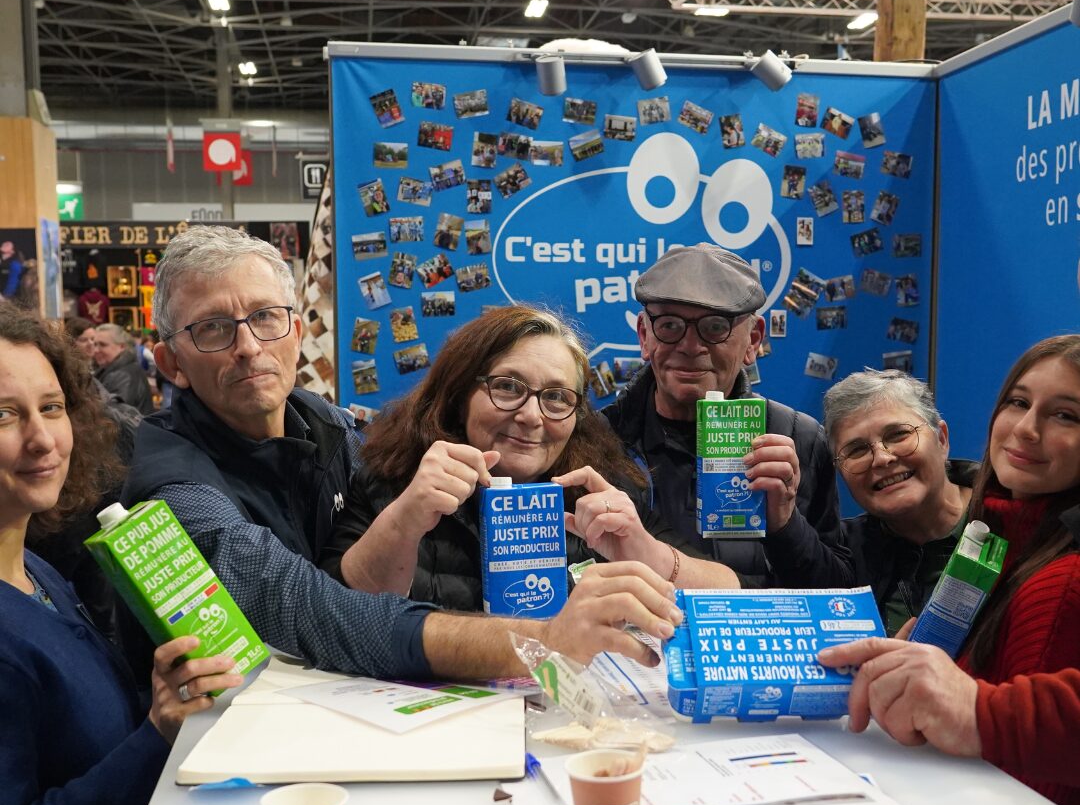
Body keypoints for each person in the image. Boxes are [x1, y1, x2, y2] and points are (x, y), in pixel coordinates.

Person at [125, 226, 681, 685]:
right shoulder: (174, 486)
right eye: (214, 329)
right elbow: (314, 610)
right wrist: (542, 642)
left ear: (296, 332)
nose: (249, 347)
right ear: (170, 363)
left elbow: (712, 596)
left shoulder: (329, 425)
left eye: (266, 318)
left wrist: (648, 554)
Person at [0, 304, 243, 805]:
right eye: (5, 416)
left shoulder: (38, 574)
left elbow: (76, 741)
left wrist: (161, 693)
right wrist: (157, 733)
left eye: (51, 407)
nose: (44, 439)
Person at [322, 306, 740, 610]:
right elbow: (337, 604)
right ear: (460, 393)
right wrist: (406, 517)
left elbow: (728, 595)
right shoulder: (395, 477)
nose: (530, 416)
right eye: (507, 387)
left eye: (557, 398)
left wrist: (643, 550)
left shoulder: (596, 489)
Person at [819, 335, 1080, 805]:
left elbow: (1009, 747)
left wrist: (976, 707)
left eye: (1065, 414)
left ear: (941, 438)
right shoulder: (1008, 539)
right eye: (1018, 402)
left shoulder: (1061, 573)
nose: (1026, 429)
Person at [603, 243, 853, 588]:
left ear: (753, 340)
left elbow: (836, 596)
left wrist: (784, 525)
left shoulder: (801, 439)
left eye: (716, 327)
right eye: (671, 325)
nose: (691, 347)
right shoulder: (597, 441)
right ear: (645, 337)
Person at [823, 369, 979, 634]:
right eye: (857, 450)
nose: (882, 458)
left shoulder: (1015, 524)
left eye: (897, 435)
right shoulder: (840, 558)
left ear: (941, 439)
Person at [93, 322, 155, 414]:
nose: (96, 350)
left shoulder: (122, 375)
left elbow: (115, 416)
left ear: (122, 346)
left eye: (103, 345)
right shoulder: (123, 368)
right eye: (95, 345)